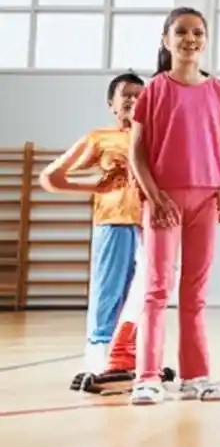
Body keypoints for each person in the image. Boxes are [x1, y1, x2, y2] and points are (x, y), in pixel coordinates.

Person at [127, 7, 220, 405]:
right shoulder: (154, 90)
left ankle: (197, 375)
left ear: (206, 40)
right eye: (181, 32)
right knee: (157, 289)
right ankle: (147, 376)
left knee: (194, 293)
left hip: (206, 200)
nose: (190, 39)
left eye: (197, 32)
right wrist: (155, 195)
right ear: (166, 40)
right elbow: (137, 151)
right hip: (164, 202)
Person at [40, 72, 145, 375]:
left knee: (145, 293)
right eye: (126, 94)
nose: (133, 99)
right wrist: (94, 184)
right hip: (114, 222)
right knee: (109, 291)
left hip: (150, 226)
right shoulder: (100, 138)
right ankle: (99, 355)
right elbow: (51, 176)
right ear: (111, 103)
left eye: (140, 95)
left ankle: (131, 354)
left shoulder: (154, 138)